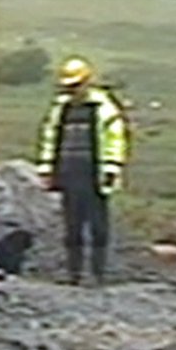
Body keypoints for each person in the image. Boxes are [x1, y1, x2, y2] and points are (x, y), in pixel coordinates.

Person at [35, 57, 130, 286]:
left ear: (88, 82)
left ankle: (98, 273)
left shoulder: (104, 109)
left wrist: (111, 167)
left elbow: (115, 139)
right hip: (69, 174)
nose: (72, 90)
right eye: (69, 86)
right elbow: (50, 138)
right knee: (72, 225)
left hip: (94, 175)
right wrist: (47, 168)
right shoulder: (61, 109)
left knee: (98, 226)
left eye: (76, 85)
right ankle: (74, 273)